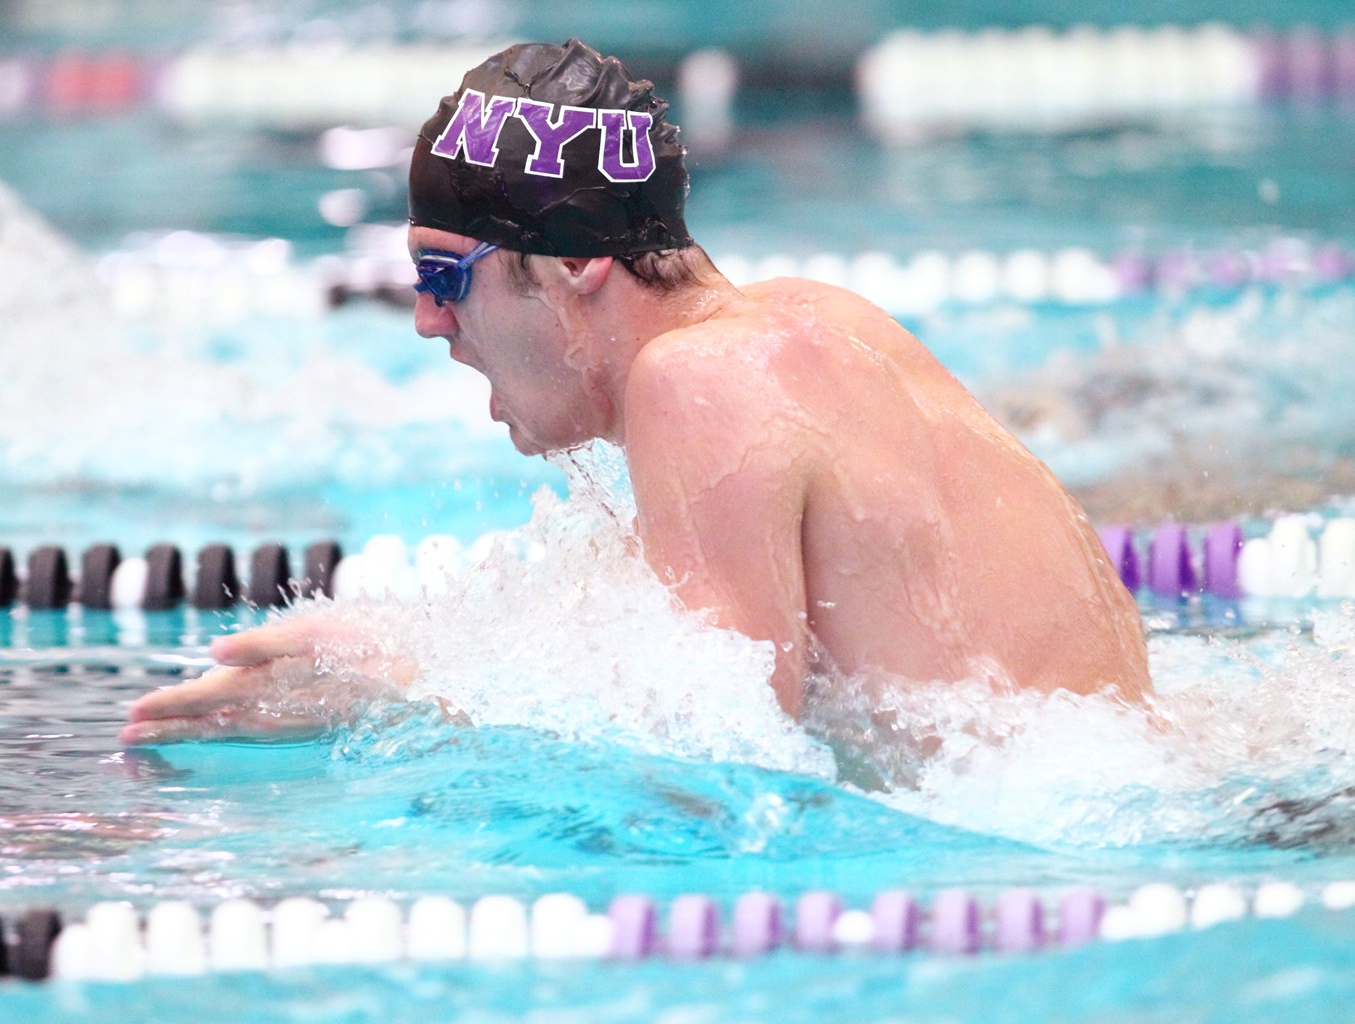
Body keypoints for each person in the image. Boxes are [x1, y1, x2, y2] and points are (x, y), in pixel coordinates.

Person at [121, 38, 1150, 747]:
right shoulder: (808, 318)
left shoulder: (697, 380)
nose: (430, 321)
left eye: (442, 277)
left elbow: (721, 734)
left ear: (573, 265)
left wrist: (385, 673)